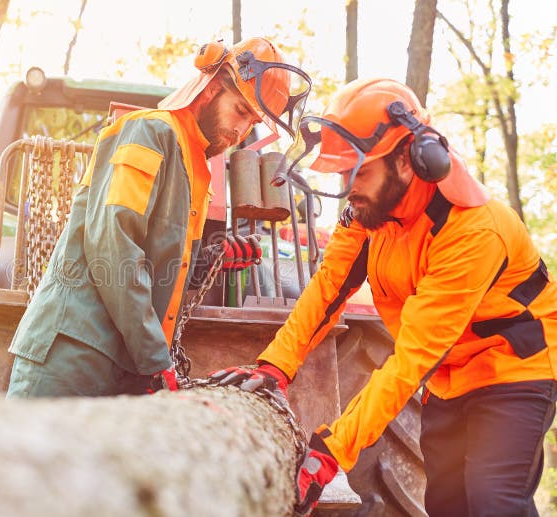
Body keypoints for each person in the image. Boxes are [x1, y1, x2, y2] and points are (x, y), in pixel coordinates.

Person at [212, 78, 557, 516]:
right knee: (447, 503)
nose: (349, 186)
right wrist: (275, 366)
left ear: (411, 161)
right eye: (343, 173)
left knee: (494, 500)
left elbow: (412, 357)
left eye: (360, 171)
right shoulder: (369, 212)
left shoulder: (472, 231)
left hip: (513, 369)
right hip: (447, 374)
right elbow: (327, 290)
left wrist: (333, 449)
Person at [6, 37, 311, 398]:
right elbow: (113, 241)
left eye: (252, 123)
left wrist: (209, 257)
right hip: (73, 356)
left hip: (120, 363)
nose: (240, 132)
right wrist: (156, 361)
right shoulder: (150, 132)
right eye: (240, 111)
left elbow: (160, 261)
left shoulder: (196, 168)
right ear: (212, 90)